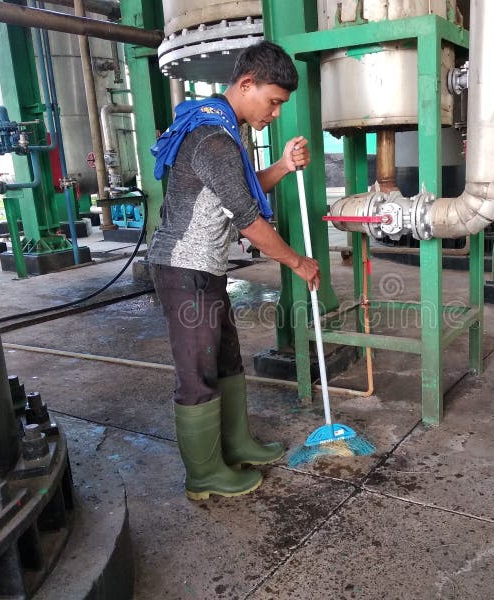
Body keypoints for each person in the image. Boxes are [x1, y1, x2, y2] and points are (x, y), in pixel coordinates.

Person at [148, 41, 320, 500]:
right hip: (183, 269)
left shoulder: (228, 130)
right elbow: (248, 219)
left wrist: (282, 167)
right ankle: (204, 474)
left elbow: (239, 191)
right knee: (197, 371)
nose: (276, 113)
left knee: (226, 357)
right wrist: (297, 262)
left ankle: (236, 443)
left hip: (205, 268)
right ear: (247, 84)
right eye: (274, 102)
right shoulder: (214, 139)